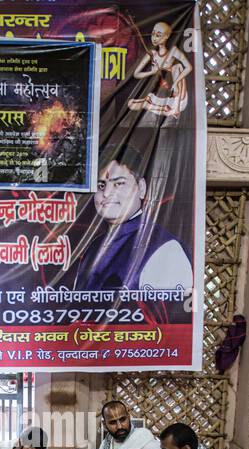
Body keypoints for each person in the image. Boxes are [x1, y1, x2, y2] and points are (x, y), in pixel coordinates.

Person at [69, 146, 192, 293]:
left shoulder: (165, 249)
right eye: (101, 185)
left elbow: (170, 314)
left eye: (119, 183)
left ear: (141, 188)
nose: (107, 193)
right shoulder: (94, 247)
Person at [127, 21, 192, 119]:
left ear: (166, 36)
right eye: (153, 34)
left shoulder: (173, 51)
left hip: (176, 96)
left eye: (158, 35)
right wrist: (152, 72)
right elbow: (136, 74)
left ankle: (176, 109)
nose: (154, 37)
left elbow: (189, 67)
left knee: (177, 67)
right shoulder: (152, 54)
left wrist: (176, 82)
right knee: (131, 103)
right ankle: (166, 110)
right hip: (159, 94)